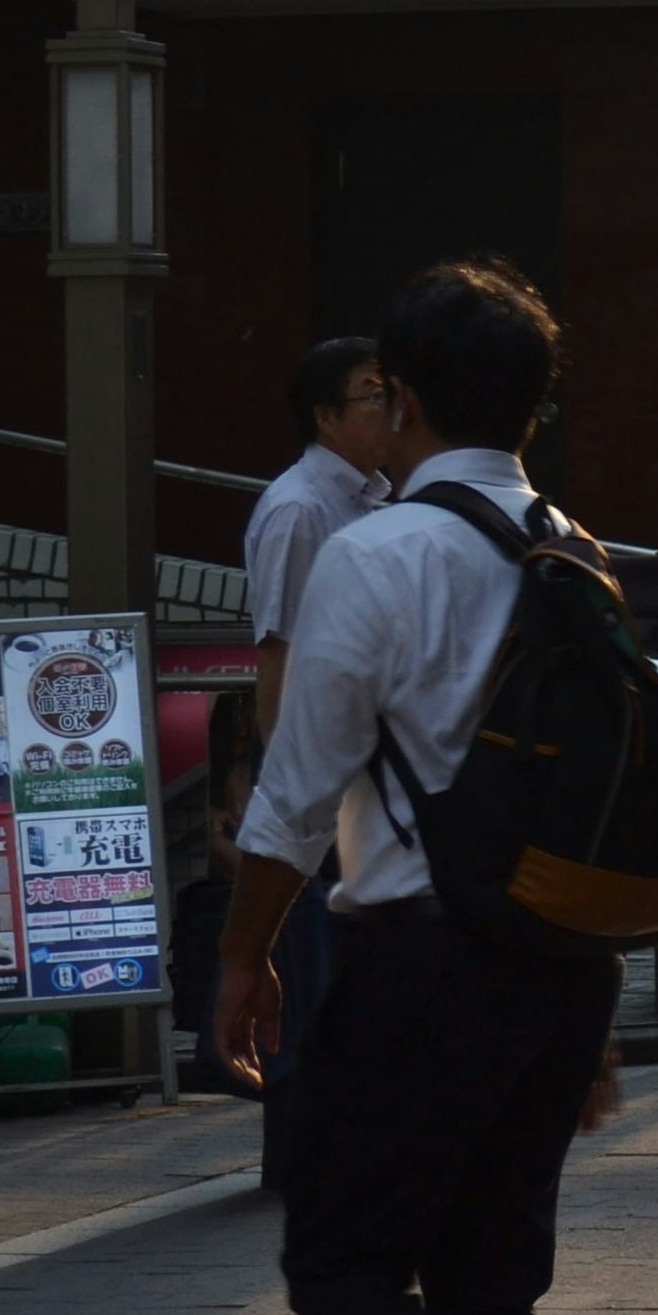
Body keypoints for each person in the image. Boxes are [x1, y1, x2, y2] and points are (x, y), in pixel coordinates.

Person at [209, 264, 623, 1315]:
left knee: (339, 1262)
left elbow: (294, 791)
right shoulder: (578, 552)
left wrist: (242, 954)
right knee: (491, 1285)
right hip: (559, 970)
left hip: (417, 965)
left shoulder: (379, 560)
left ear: (401, 396)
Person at [211, 338, 396, 1079]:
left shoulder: (380, 495)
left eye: (391, 391)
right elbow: (277, 654)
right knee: (311, 975)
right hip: (322, 780)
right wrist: (288, 784)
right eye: (371, 394)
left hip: (363, 773)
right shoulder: (298, 510)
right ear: (327, 416)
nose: (389, 409)